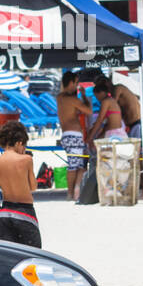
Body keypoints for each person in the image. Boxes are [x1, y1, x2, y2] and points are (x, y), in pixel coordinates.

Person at [0, 121, 41, 248]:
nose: (24, 149)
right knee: (32, 255)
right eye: (24, 146)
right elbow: (33, 187)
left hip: (4, 213)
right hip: (25, 212)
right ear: (19, 142)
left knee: (8, 256)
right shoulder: (26, 160)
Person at [56, 71, 93, 200]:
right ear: (71, 83)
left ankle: (74, 192)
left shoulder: (60, 97)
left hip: (67, 135)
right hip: (74, 136)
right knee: (76, 166)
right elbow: (89, 111)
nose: (77, 86)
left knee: (77, 165)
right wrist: (84, 96)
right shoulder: (72, 99)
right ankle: (71, 192)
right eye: (76, 83)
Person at [87, 79, 128, 146]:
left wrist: (90, 137)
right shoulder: (111, 101)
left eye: (96, 96)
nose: (97, 99)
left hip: (114, 135)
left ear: (101, 93)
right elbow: (103, 123)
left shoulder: (106, 101)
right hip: (118, 133)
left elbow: (99, 120)